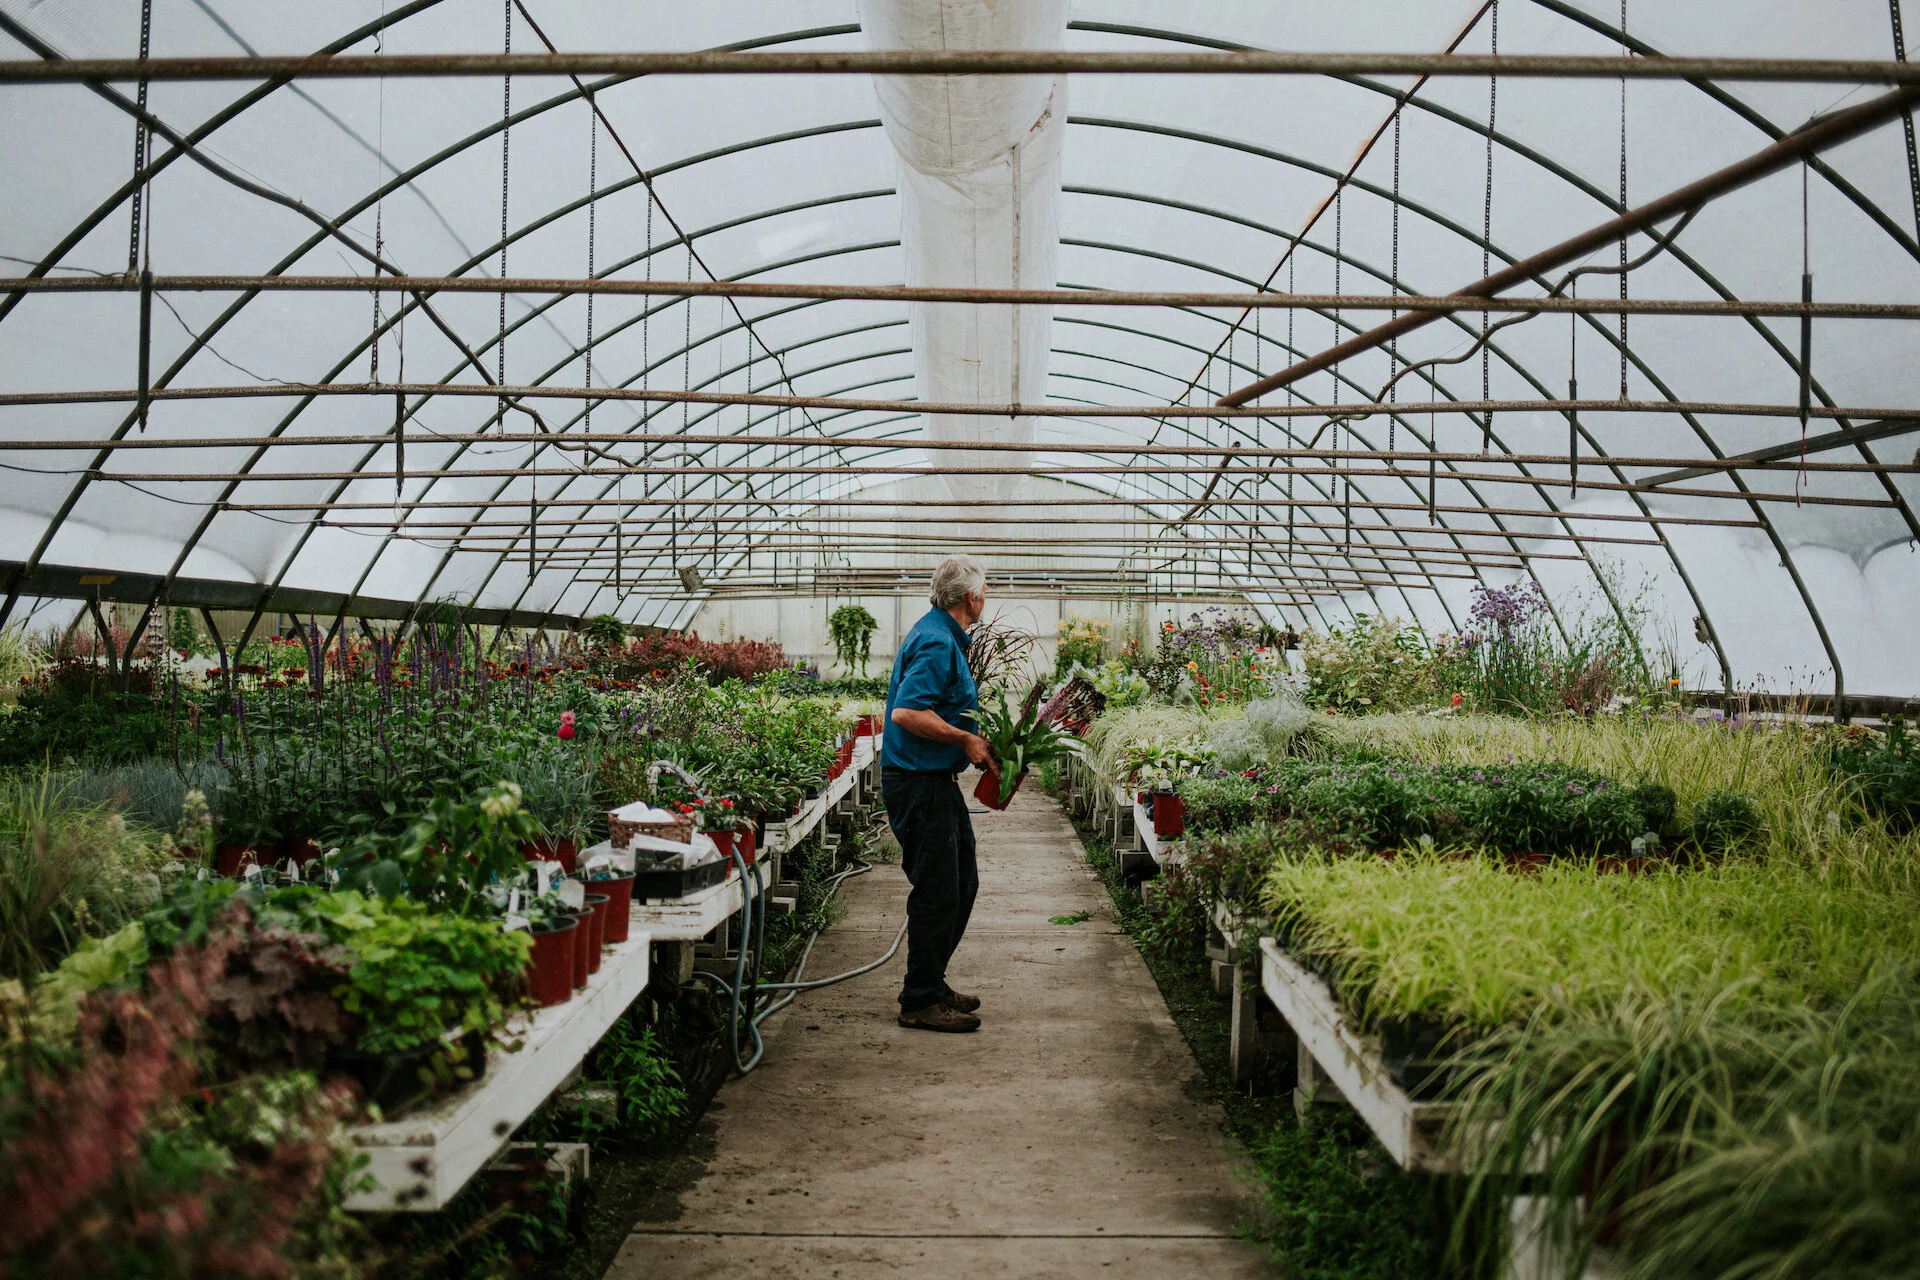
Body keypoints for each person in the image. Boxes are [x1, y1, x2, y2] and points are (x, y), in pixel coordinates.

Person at [880, 554, 995, 1032]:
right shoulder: (935, 639)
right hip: (918, 783)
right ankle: (920, 1000)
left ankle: (931, 981)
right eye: (984, 590)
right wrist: (964, 739)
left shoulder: (943, 635)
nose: (985, 597)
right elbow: (906, 712)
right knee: (938, 890)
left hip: (931, 782)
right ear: (970, 597)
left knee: (961, 883)